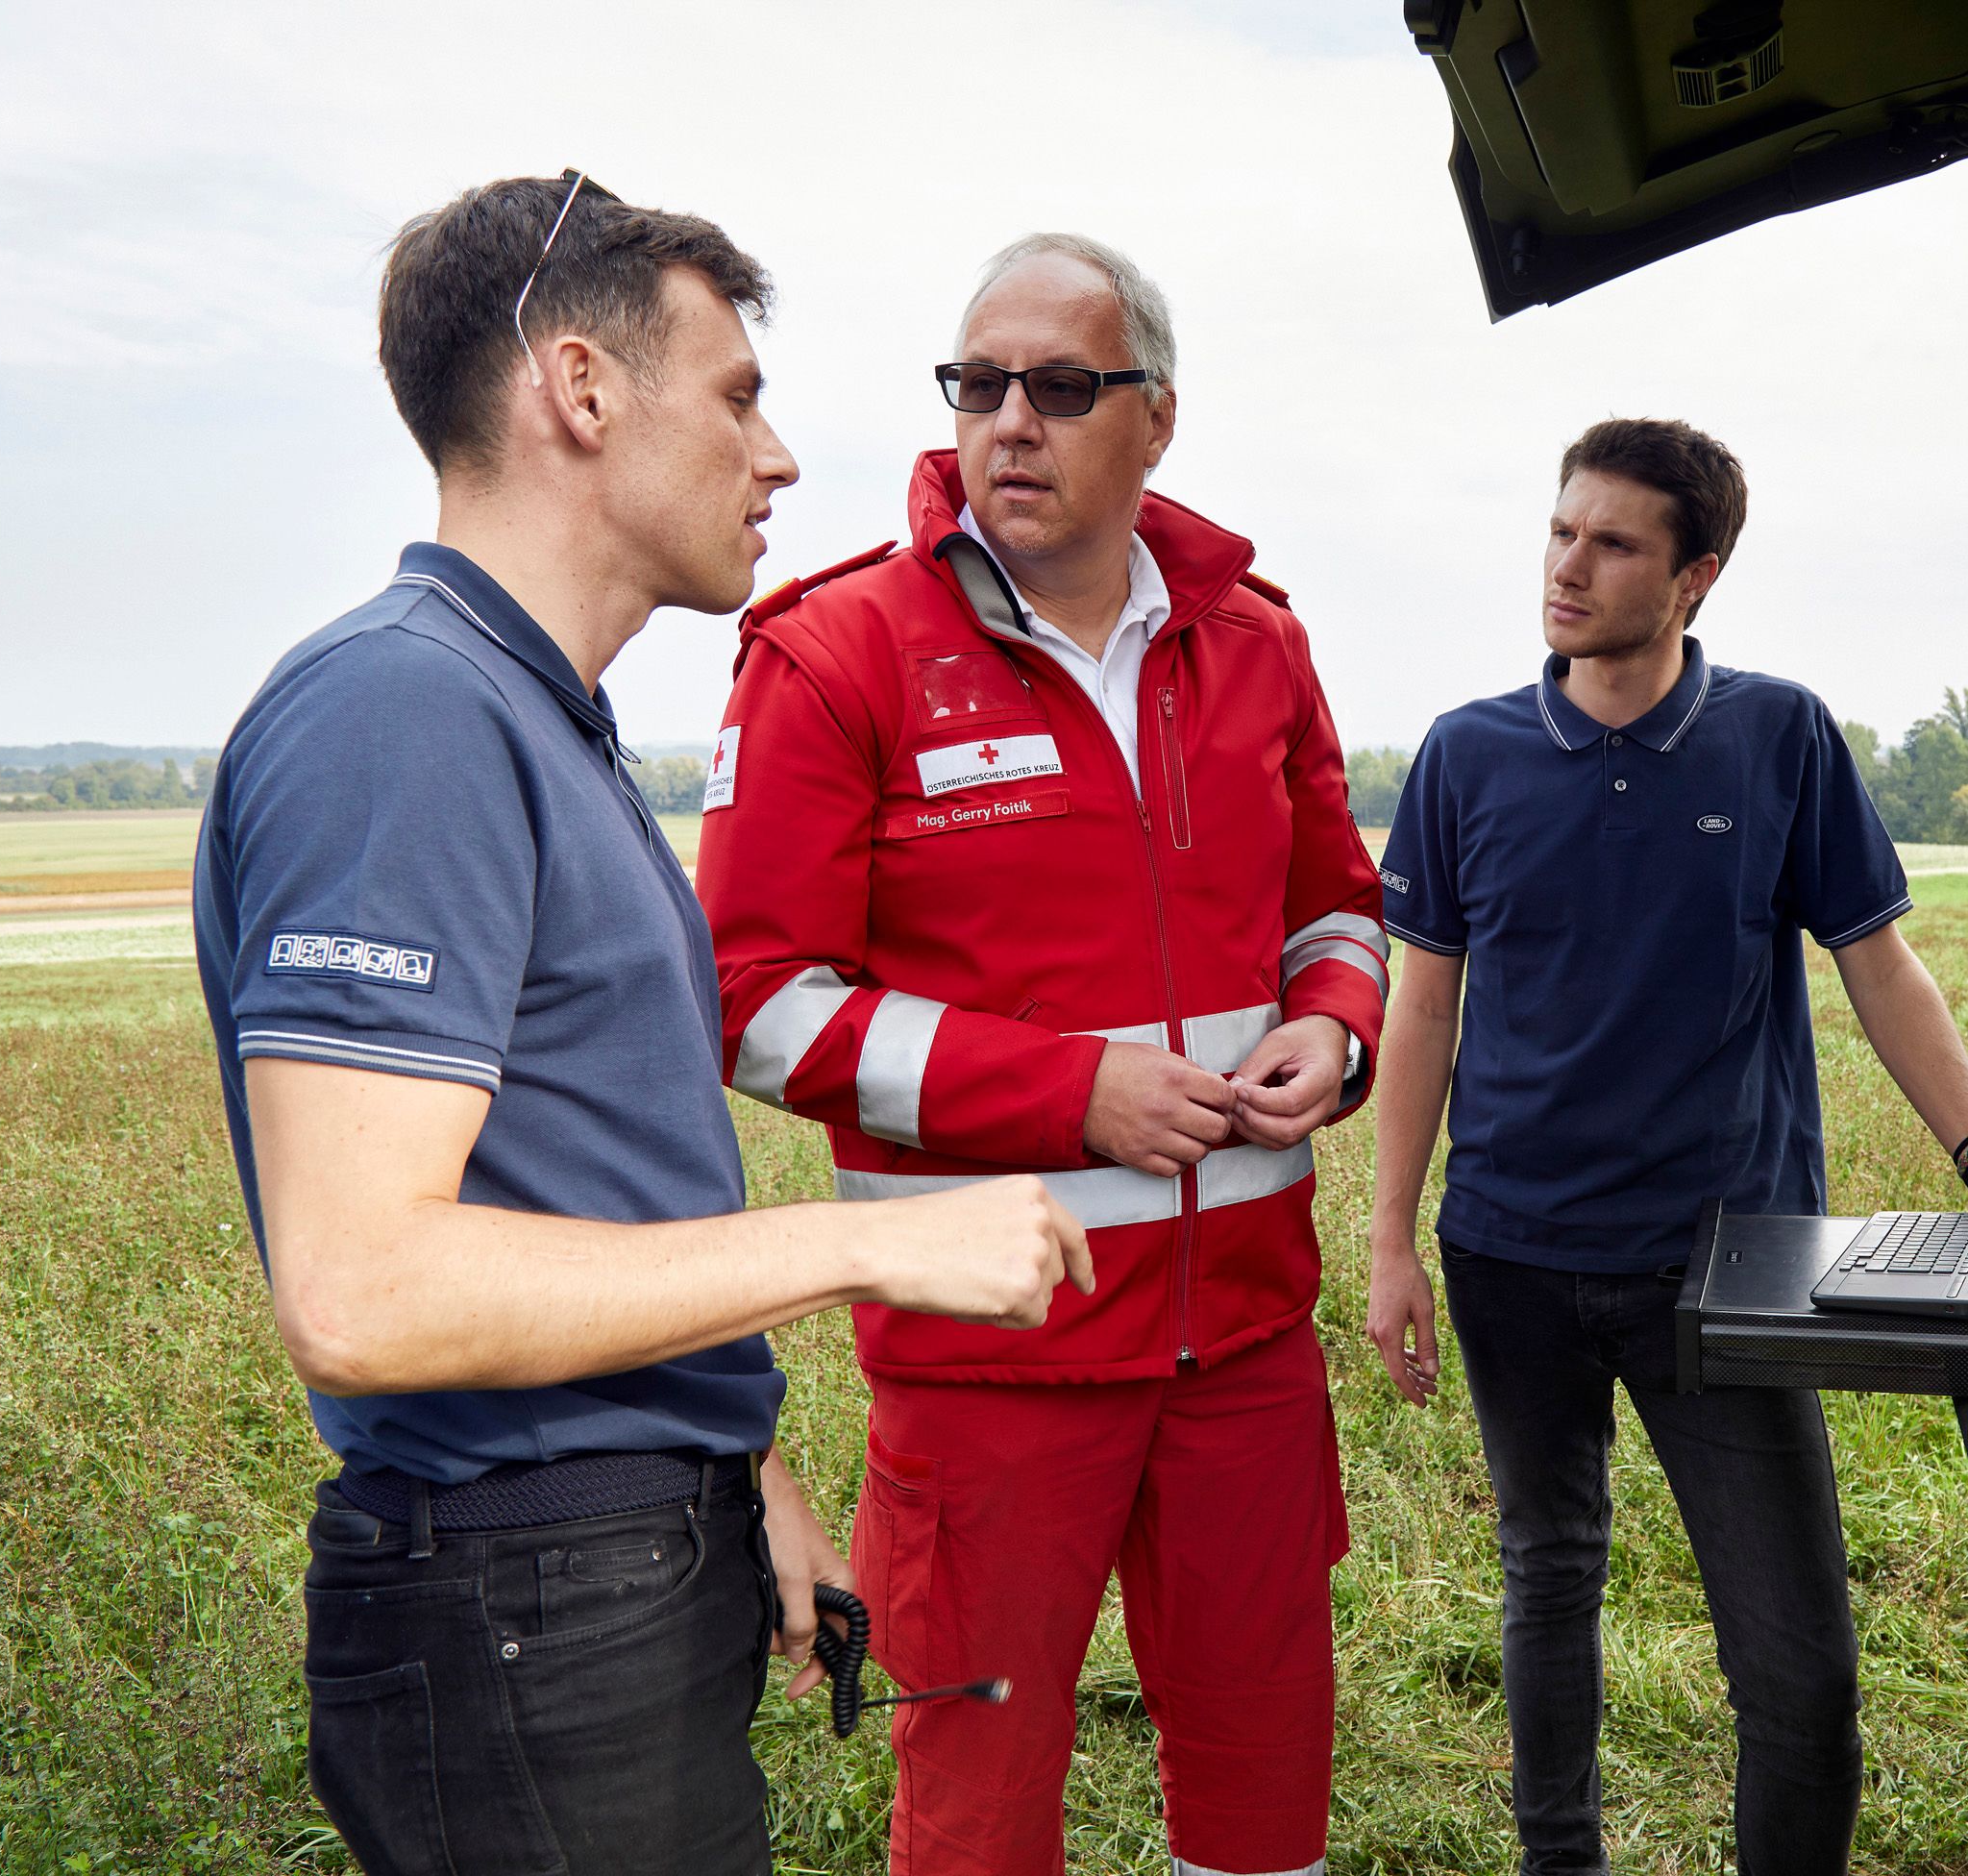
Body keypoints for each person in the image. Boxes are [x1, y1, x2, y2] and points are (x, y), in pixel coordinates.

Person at [192, 174, 1091, 1876]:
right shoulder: (404, 712)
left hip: (607, 1566)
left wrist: (739, 1465)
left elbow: (589, 1179)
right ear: (583, 391)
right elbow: (364, 1292)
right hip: (523, 1598)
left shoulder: (548, 725)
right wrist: (869, 1252)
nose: (782, 457)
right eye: (738, 394)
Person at [1361, 418, 1968, 1876]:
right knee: (1548, 1576)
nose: (1569, 565)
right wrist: (1389, 1241)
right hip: (1508, 1253)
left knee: (1798, 1662)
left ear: (1697, 576)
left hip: (1726, 1270)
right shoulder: (1468, 753)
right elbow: (1423, 1006)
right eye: (1562, 530)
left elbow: (1880, 964)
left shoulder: (1778, 732)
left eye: (1613, 542)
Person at [698, 233, 1387, 1876]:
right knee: (981, 1793)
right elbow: (752, 1001)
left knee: (1267, 1754)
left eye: (1061, 387)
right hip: (990, 1364)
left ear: (1155, 420)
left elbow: (1341, 913)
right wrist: (1069, 1088)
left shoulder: (1257, 644)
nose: (1007, 420)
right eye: (978, 384)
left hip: (1243, 1345)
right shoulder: (837, 652)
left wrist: (1334, 1030)